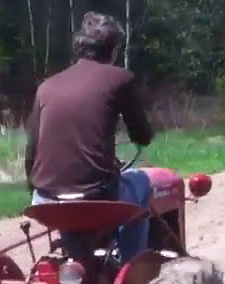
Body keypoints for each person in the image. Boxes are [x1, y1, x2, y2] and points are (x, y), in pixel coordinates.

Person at [24, 11, 155, 264]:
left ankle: (78, 258)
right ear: (114, 50)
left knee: (75, 209)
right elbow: (142, 136)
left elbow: (32, 151)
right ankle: (132, 268)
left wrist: (36, 187)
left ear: (81, 48)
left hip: (44, 199)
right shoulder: (120, 79)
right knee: (142, 183)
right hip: (95, 198)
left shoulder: (46, 87)